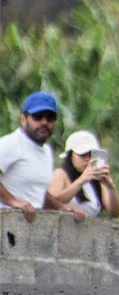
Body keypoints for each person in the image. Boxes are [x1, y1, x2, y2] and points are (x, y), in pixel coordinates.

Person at [0, 92, 86, 223]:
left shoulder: (46, 151)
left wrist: (62, 207)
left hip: (31, 228)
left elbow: (38, 192)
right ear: (23, 118)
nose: (44, 122)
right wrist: (13, 201)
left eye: (50, 118)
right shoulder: (10, 144)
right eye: (38, 116)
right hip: (6, 225)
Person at [48, 130, 119, 218]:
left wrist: (110, 187)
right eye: (82, 155)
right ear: (70, 155)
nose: (87, 159)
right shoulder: (60, 174)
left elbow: (115, 212)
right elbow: (51, 203)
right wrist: (82, 180)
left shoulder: (97, 179)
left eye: (91, 155)